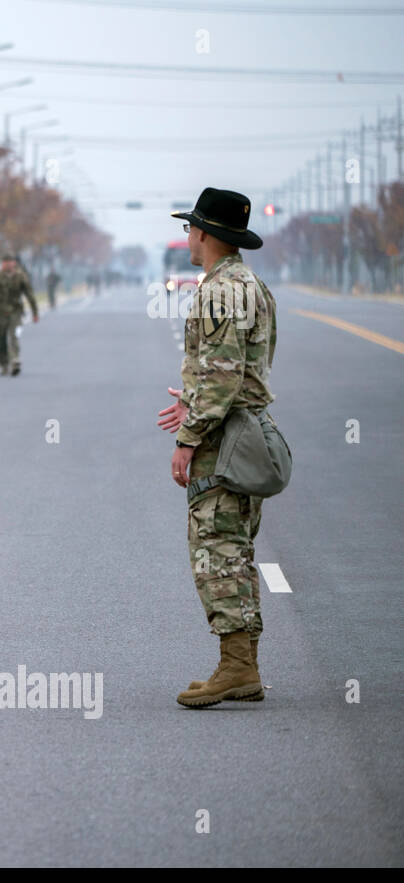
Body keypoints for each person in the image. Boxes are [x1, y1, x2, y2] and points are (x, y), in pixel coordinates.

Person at [157, 187, 276, 708]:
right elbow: (239, 371)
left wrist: (189, 436)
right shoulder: (252, 285)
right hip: (245, 430)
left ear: (205, 234)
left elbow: (224, 378)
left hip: (224, 440)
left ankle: (235, 665)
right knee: (238, 549)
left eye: (191, 227)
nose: (188, 235)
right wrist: (193, 396)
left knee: (217, 550)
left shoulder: (221, 291)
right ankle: (243, 665)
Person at [0, 253, 38, 376]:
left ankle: (15, 360)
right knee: (1, 339)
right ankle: (4, 364)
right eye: (5, 262)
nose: (7, 264)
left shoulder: (20, 277)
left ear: (14, 263)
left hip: (15, 312)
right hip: (0, 313)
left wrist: (35, 312)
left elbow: (29, 294)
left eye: (9, 261)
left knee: (14, 336)